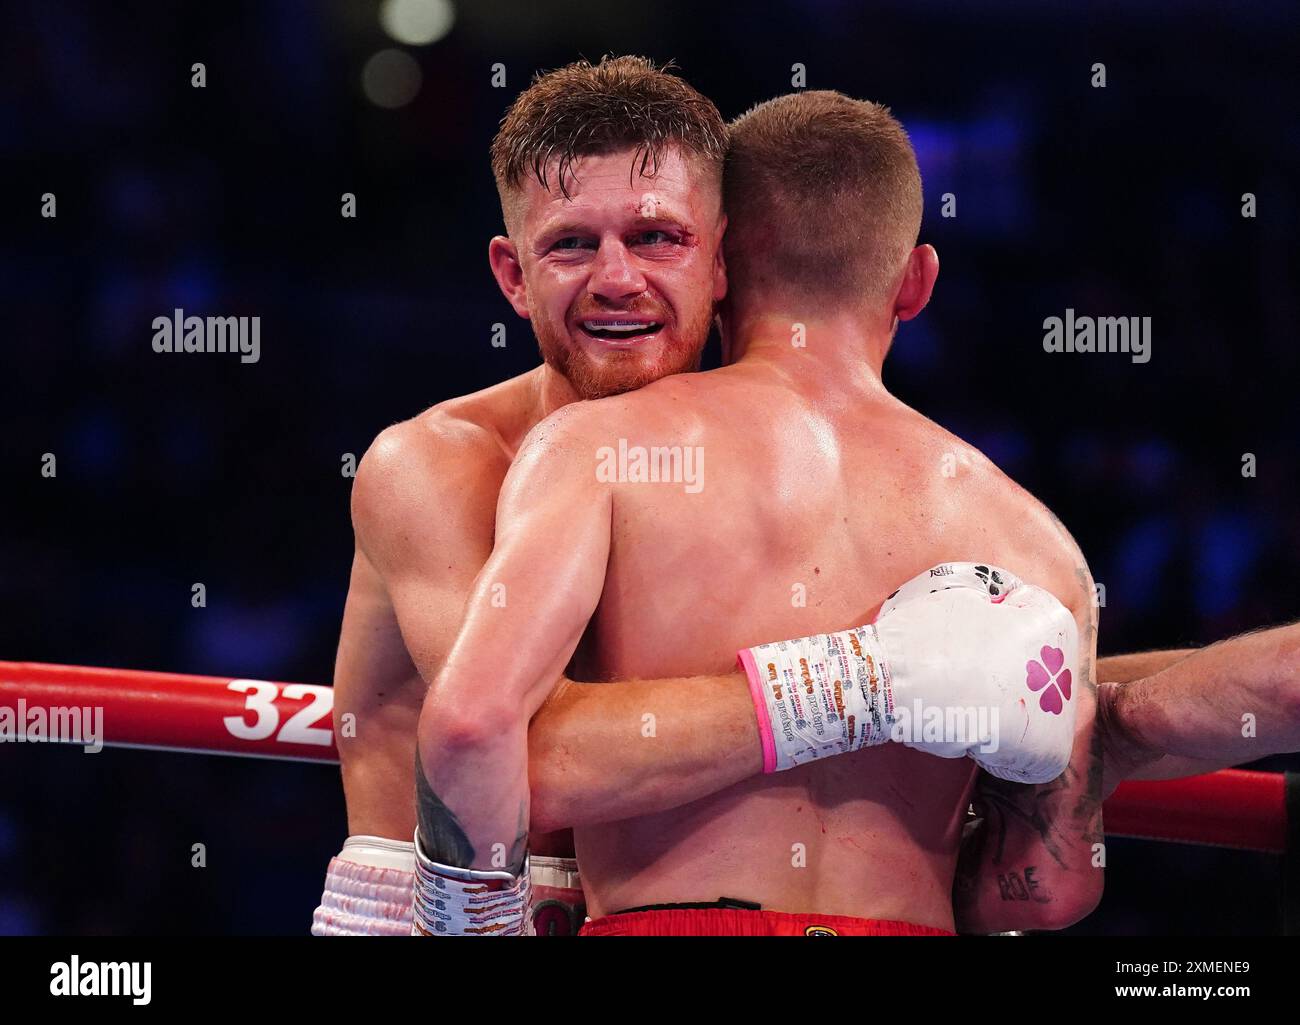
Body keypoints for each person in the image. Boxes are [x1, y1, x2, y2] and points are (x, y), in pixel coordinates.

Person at [411, 90, 1103, 937]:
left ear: (722, 258)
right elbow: (1046, 887)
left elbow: (476, 730)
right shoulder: (1037, 543)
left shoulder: (599, 448)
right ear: (918, 280)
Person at [312, 55, 729, 936]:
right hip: (436, 908)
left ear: (721, 259)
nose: (617, 278)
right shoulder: (431, 463)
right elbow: (515, 749)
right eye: (572, 243)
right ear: (512, 276)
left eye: (656, 237)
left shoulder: (755, 461)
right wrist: (852, 687)